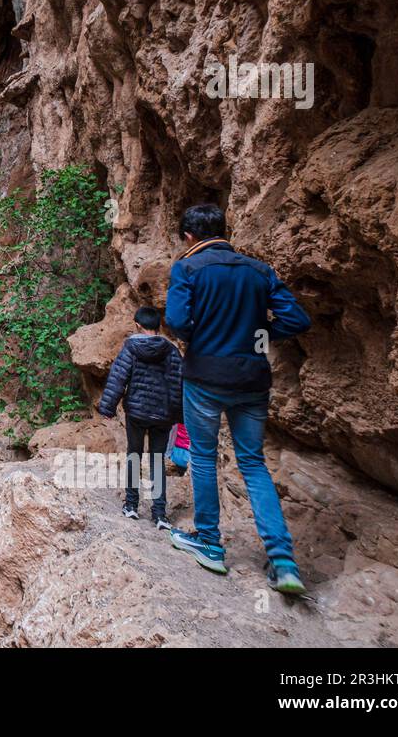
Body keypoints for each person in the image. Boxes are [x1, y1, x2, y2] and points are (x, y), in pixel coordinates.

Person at [164, 203, 311, 594]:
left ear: (189, 237)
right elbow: (297, 320)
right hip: (252, 380)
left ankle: (210, 544)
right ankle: (283, 561)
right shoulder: (259, 270)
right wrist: (255, 334)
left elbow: (177, 321)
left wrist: (207, 336)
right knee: (253, 463)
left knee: (203, 456)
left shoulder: (187, 268)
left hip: (205, 378)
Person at [97, 305, 183, 530]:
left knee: (134, 455)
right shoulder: (172, 351)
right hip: (162, 416)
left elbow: (118, 377)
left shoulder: (131, 348)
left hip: (136, 412)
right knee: (157, 461)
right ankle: (159, 514)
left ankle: (132, 505)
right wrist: (178, 415)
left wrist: (107, 407)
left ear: (137, 325)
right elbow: (178, 386)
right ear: (159, 326)